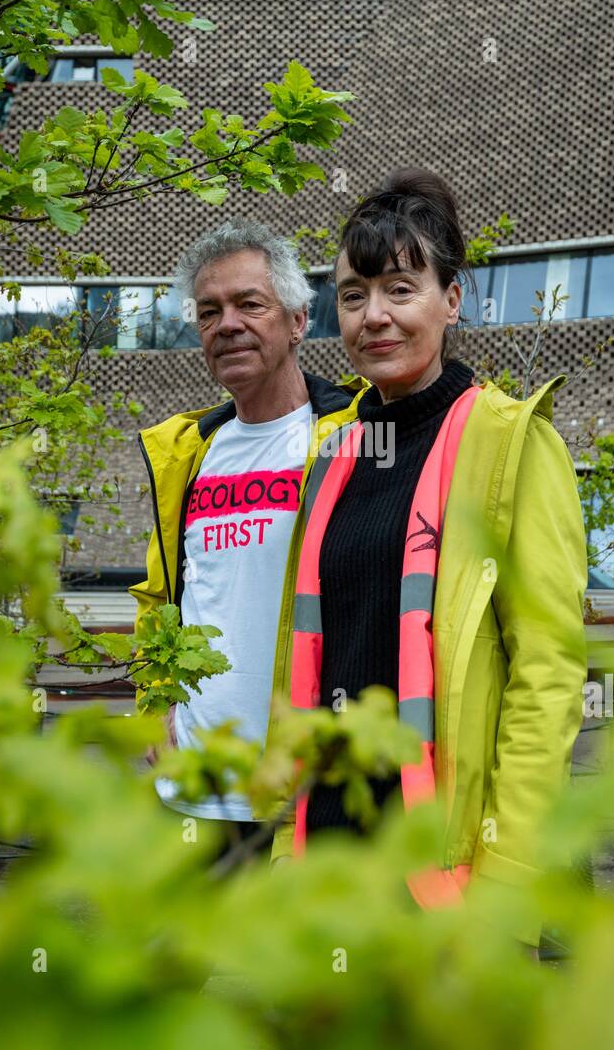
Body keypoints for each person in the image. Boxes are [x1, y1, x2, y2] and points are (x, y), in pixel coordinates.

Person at [264, 168, 589, 955]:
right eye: (352, 295)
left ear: (451, 299)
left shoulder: (511, 447)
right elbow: (299, 662)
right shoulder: (331, 455)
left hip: (447, 881)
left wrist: (507, 876)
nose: (373, 315)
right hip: (324, 860)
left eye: (400, 289)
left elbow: (545, 676)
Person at [131, 221, 367, 855]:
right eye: (209, 312)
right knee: (171, 956)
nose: (227, 324)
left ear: (296, 320)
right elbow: (163, 603)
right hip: (191, 788)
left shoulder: (355, 437)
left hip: (308, 790)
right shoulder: (186, 454)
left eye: (248, 304)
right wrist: (156, 704)